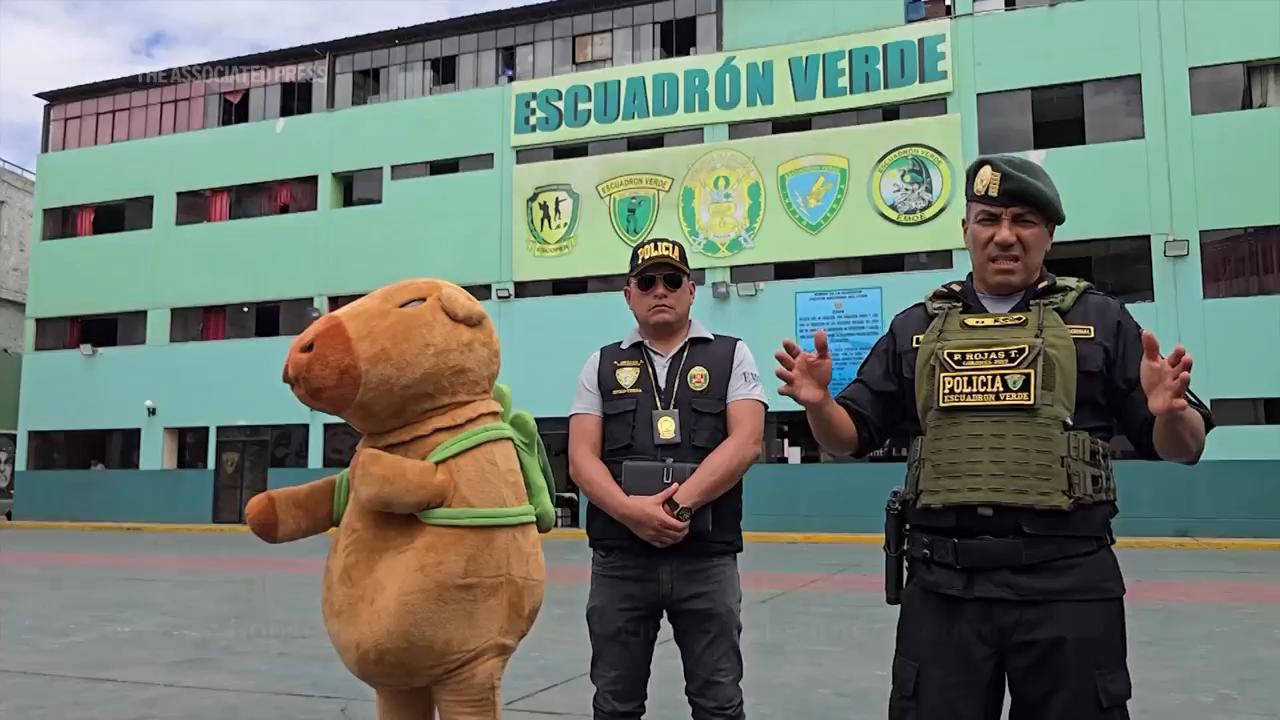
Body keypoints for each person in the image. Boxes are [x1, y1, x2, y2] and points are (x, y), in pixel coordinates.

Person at [774, 155, 1215, 720]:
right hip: (944, 587)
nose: (1005, 235)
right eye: (989, 219)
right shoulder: (917, 327)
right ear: (966, 231)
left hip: (1067, 583)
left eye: (1024, 220)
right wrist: (819, 404)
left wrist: (1171, 411)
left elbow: (1184, 446)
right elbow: (849, 436)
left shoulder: (1103, 321)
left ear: (1049, 235)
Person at [568, 236, 767, 720]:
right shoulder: (601, 363)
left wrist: (678, 508)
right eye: (648, 281)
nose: (661, 289)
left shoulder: (731, 356)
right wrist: (630, 513)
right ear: (629, 293)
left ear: (692, 290)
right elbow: (580, 457)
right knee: (614, 703)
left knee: (718, 702)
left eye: (673, 280)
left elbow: (746, 442)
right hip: (621, 562)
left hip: (705, 560)